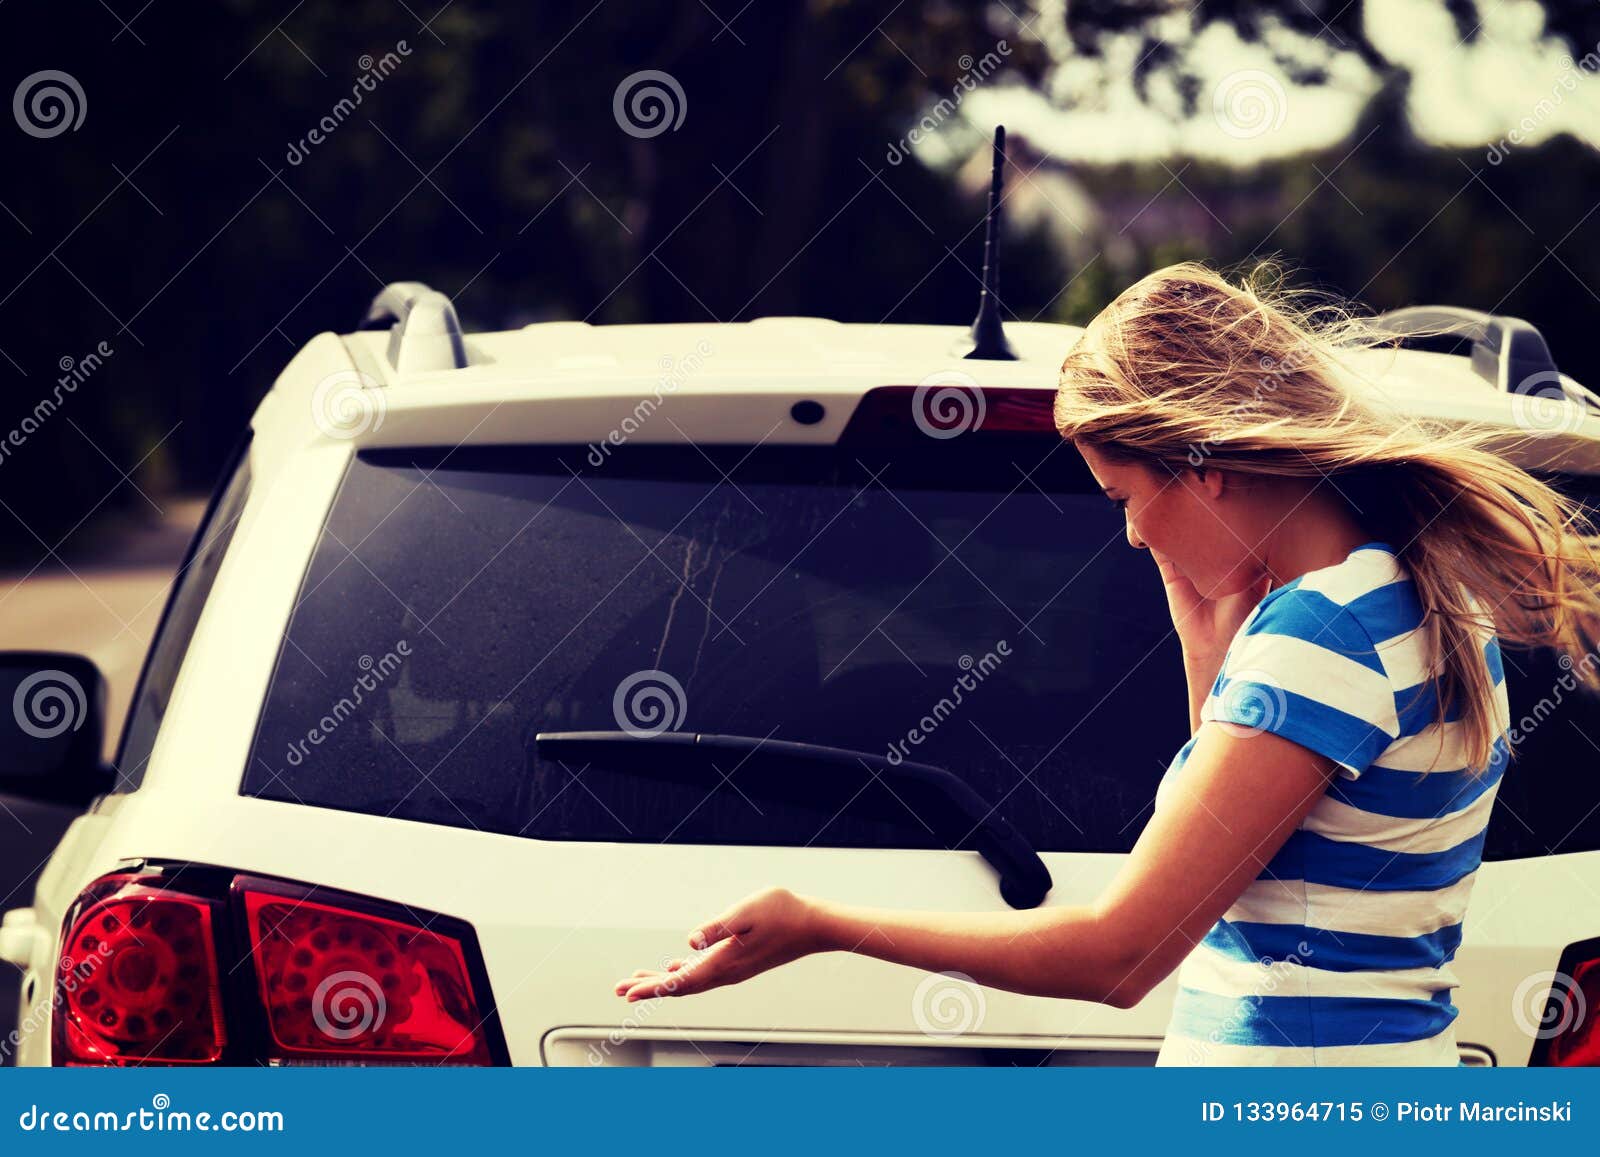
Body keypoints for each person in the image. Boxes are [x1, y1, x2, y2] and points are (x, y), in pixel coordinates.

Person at [612, 261, 1600, 1065]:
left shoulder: (1320, 639)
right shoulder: (1419, 594)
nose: (1126, 533)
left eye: (1123, 493)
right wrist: (1203, 618)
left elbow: (1122, 954)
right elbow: (1238, 842)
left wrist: (819, 922)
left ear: (1205, 461)